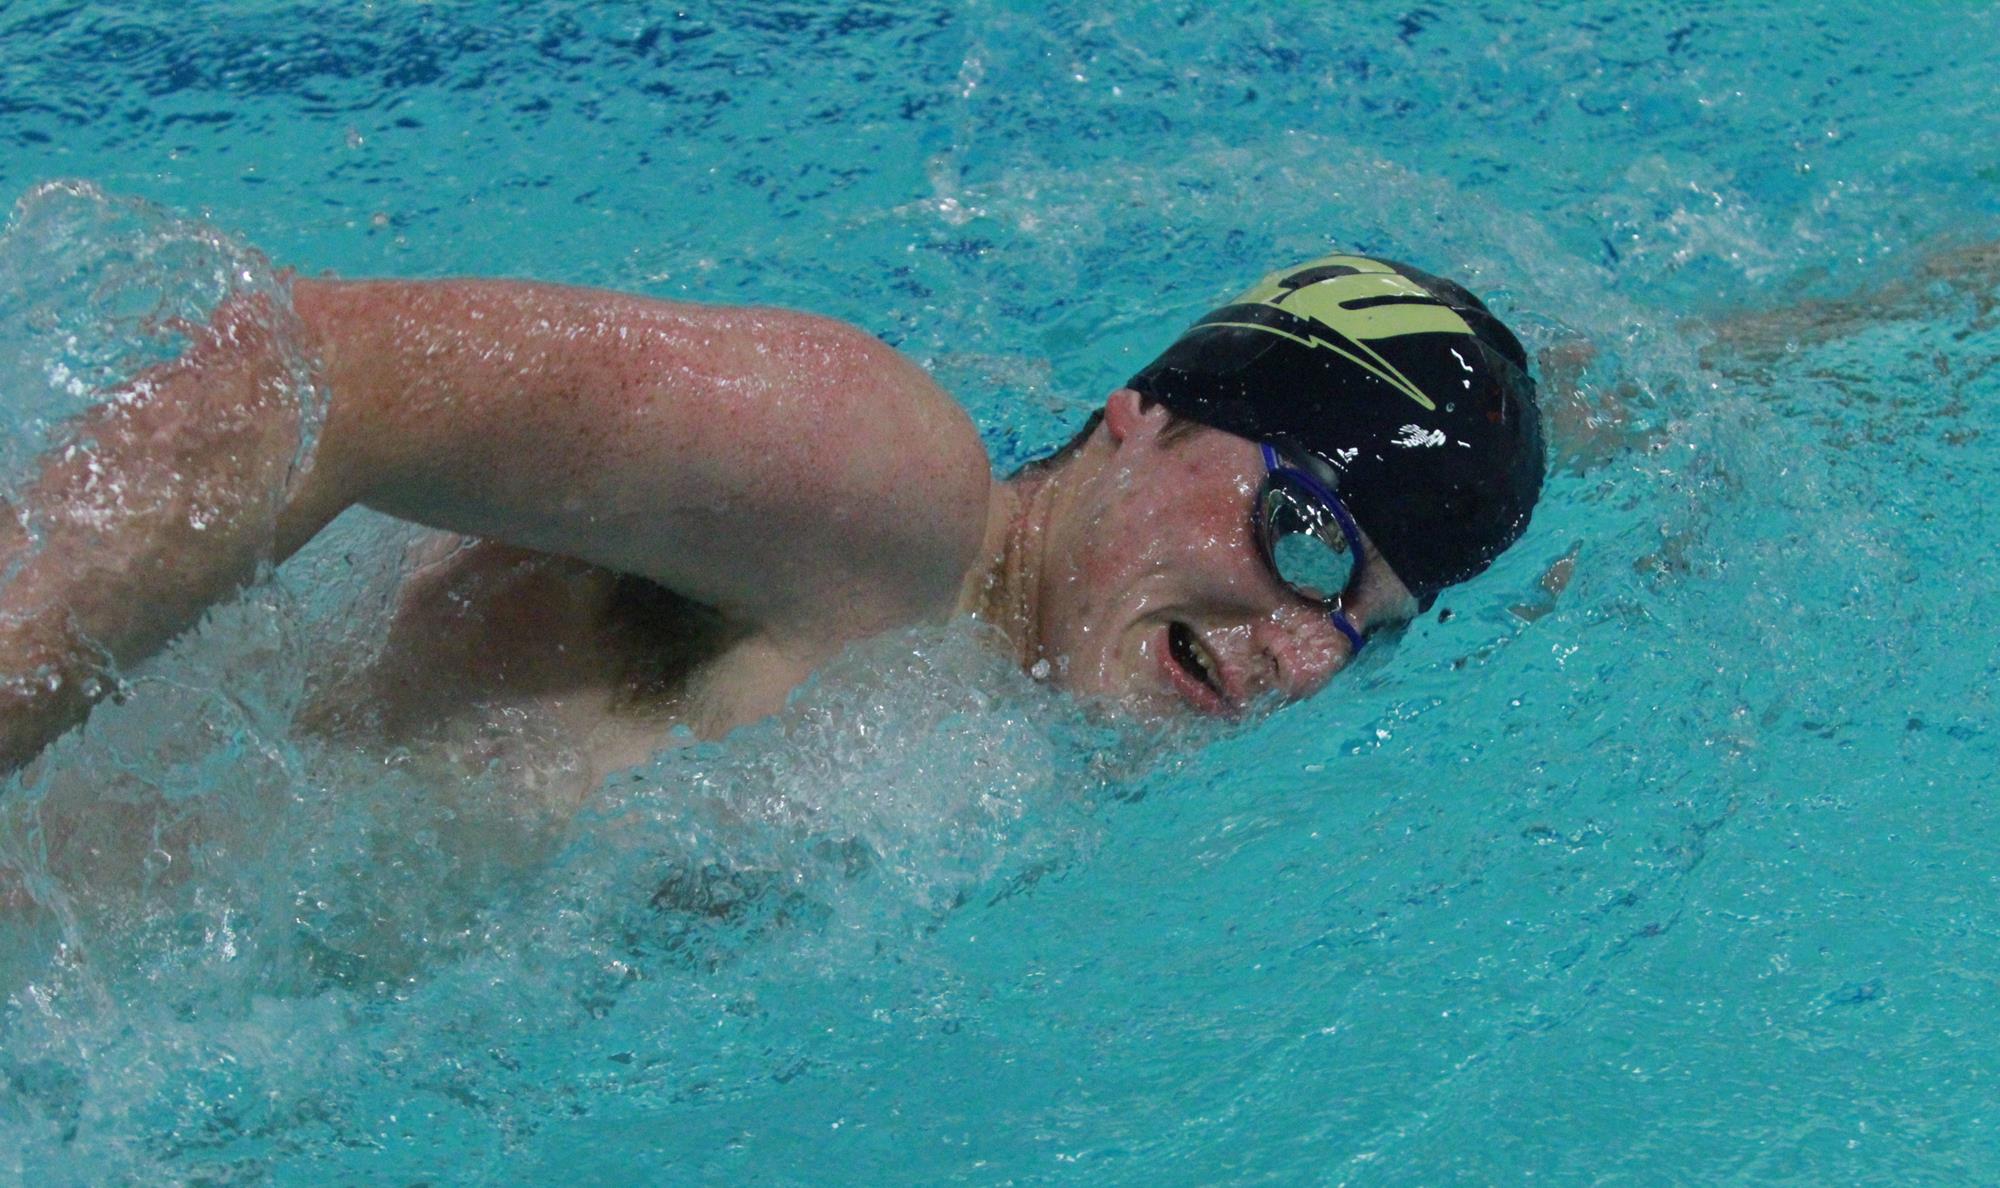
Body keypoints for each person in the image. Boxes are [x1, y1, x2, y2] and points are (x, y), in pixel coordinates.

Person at [0, 251, 1543, 793]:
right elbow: (325, 373)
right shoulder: (887, 501)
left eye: (1366, 627)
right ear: (1136, 416)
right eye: (1310, 538)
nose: (1301, 653)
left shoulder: (1001, 714)